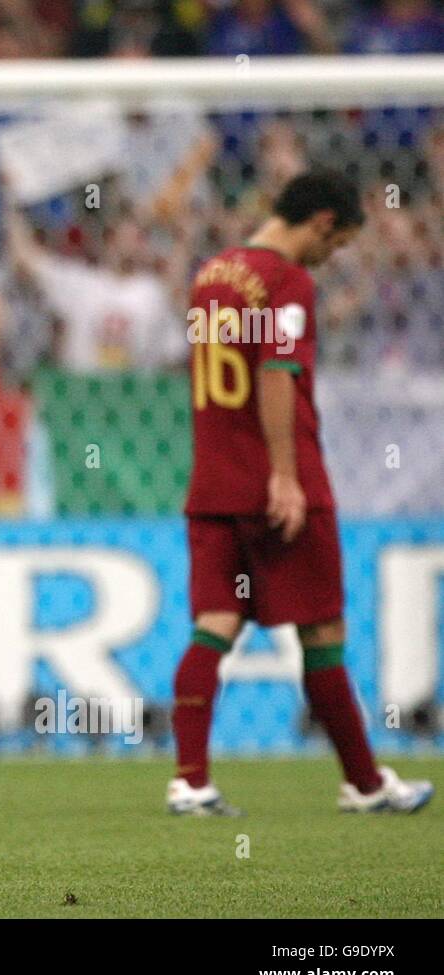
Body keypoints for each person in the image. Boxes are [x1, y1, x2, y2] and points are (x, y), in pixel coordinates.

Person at [169, 170, 433, 816]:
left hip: (213, 479)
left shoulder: (212, 276)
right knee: (322, 631)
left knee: (215, 624)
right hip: (281, 483)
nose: (331, 255)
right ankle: (365, 784)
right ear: (321, 222)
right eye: (337, 242)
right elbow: (279, 371)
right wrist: (285, 475)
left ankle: (190, 780)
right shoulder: (289, 280)